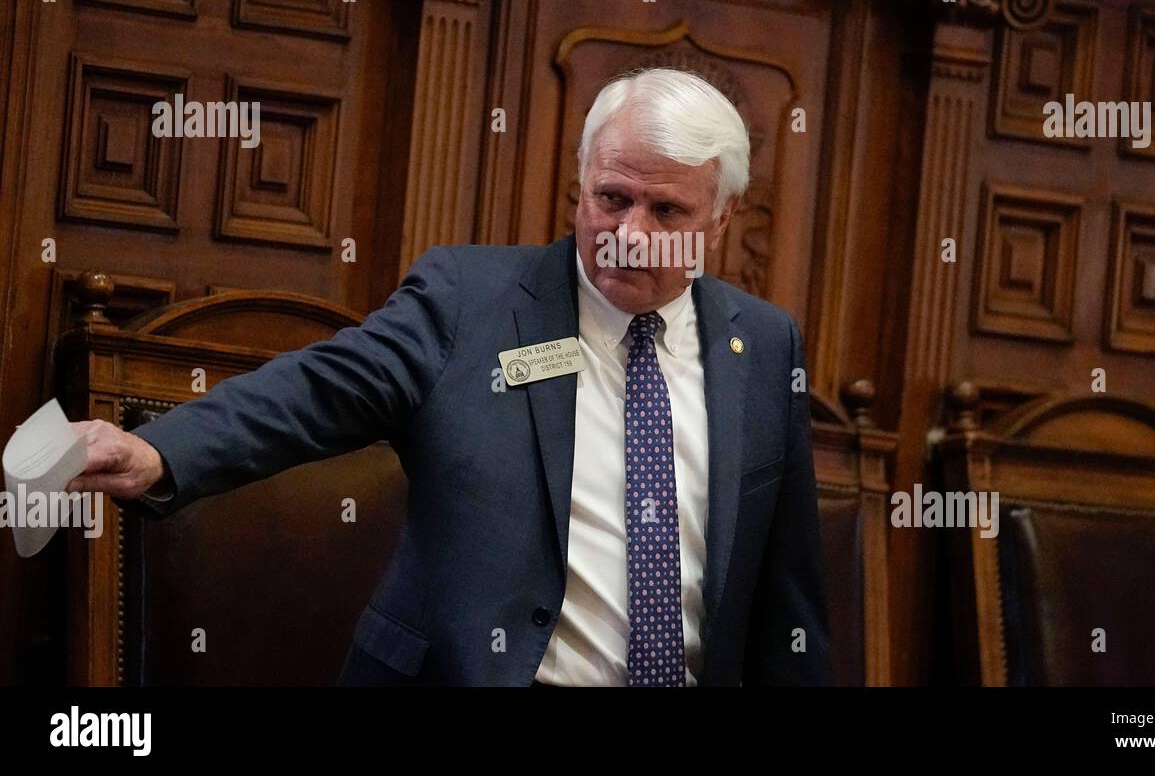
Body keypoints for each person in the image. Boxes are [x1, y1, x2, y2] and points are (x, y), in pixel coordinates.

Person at [69, 67, 832, 686]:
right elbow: (319, 389)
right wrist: (160, 453)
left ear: (722, 219)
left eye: (667, 212)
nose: (630, 235)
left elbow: (785, 593)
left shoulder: (763, 348)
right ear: (581, 183)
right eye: (612, 198)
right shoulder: (471, 303)